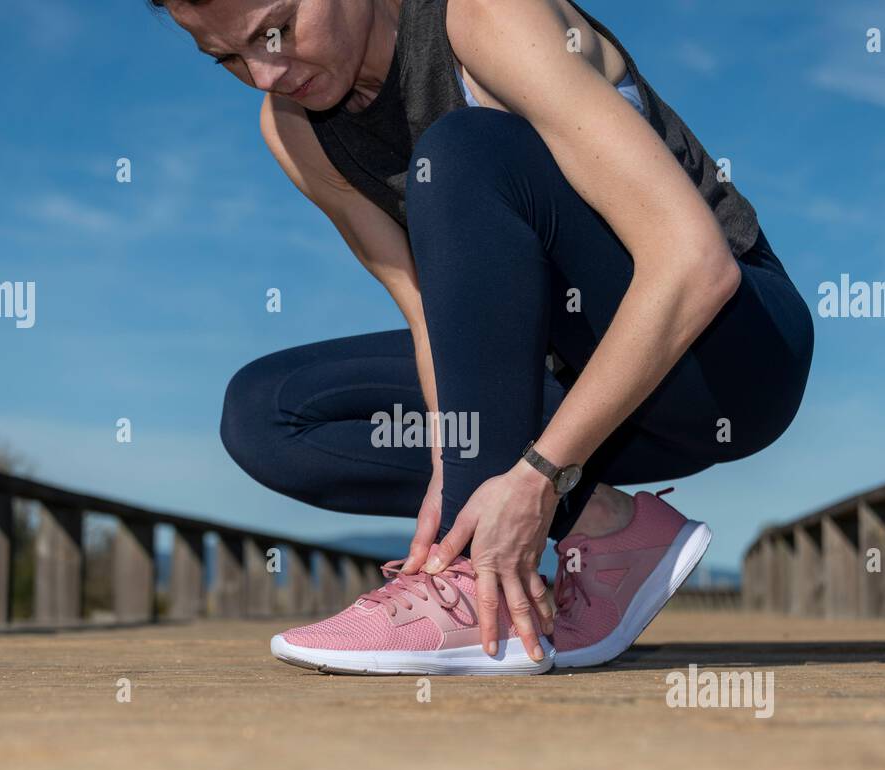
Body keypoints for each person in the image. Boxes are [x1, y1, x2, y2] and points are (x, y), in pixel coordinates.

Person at [151, 0, 814, 674]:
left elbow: (696, 266)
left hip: (725, 358)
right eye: (229, 58)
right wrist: (455, 468)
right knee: (269, 414)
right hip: (577, 389)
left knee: (464, 149)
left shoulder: (482, 16)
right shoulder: (295, 131)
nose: (265, 74)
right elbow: (428, 318)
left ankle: (472, 583)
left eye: (278, 30)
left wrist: (539, 476)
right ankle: (611, 532)